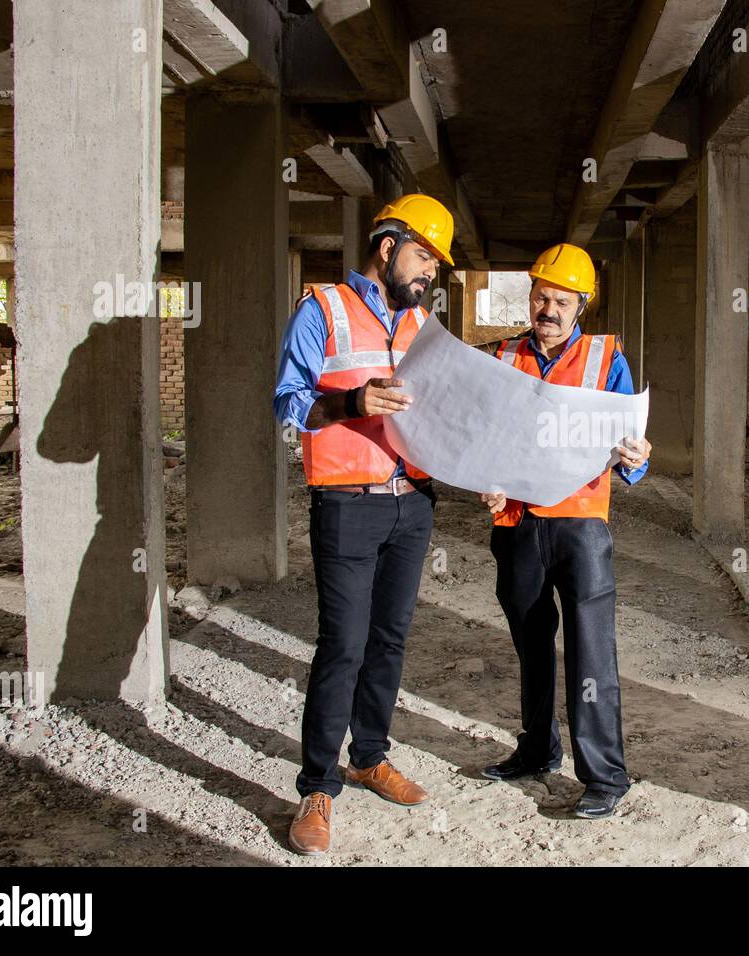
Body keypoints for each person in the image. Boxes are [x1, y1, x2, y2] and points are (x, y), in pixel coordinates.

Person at [273, 194, 454, 855]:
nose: (430, 271)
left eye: (437, 263)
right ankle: (318, 786)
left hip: (412, 505)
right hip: (347, 504)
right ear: (387, 246)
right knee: (343, 646)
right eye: (424, 255)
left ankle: (369, 755)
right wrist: (350, 401)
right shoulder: (321, 310)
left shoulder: (420, 325)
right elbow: (289, 407)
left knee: (388, 642)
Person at [479, 242, 651, 819]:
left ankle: (604, 775)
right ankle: (535, 750)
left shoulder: (607, 361)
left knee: (590, 653)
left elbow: (632, 447)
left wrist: (638, 456)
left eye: (561, 300)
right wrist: (488, 478)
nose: (547, 309)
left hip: (581, 527)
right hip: (519, 524)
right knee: (531, 645)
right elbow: (487, 437)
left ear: (582, 306)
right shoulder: (502, 358)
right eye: (540, 296)